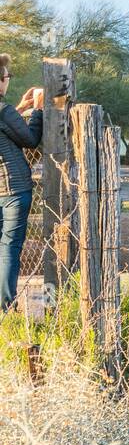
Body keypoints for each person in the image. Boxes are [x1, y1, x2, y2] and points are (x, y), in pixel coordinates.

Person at [0, 54, 44, 311]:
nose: (8, 80)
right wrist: (37, 108)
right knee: (9, 248)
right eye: (7, 76)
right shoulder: (3, 111)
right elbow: (29, 139)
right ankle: (6, 305)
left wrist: (19, 107)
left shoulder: (6, 112)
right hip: (15, 189)